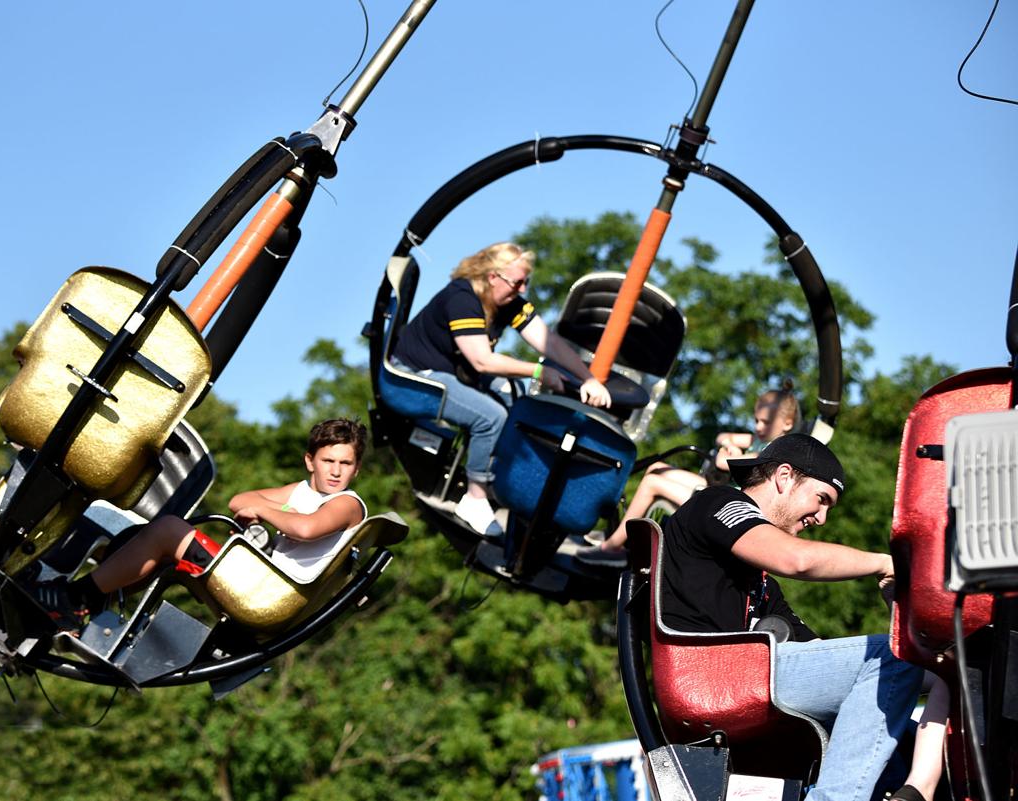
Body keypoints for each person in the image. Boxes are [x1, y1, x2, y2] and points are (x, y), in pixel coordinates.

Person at [654, 433, 925, 801]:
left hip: (738, 674)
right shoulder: (719, 502)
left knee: (901, 729)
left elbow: (819, 653)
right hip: (713, 676)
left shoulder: (759, 583)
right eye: (821, 499)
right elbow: (796, 559)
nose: (822, 518)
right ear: (784, 476)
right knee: (888, 656)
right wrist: (882, 564)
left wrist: (933, 660)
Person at [34, 418, 369, 629]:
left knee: (168, 529)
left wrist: (274, 513)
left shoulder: (347, 504)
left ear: (356, 469)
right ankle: (89, 603)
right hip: (257, 584)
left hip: (271, 594)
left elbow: (306, 529)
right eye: (328, 461)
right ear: (310, 461)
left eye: (345, 463)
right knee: (153, 544)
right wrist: (285, 510)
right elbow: (240, 500)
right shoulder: (300, 491)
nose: (336, 471)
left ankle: (73, 597)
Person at [390, 242, 611, 537]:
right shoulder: (462, 298)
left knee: (518, 395)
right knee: (490, 416)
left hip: (453, 371)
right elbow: (482, 361)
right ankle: (475, 497)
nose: (521, 290)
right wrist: (539, 371)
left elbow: (550, 343)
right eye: (516, 282)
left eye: (525, 283)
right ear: (492, 276)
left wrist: (588, 379)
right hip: (411, 377)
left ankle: (506, 479)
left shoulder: (507, 302)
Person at [577, 383, 799, 562]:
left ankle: (612, 547)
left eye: (765, 422)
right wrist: (731, 444)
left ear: (787, 423)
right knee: (656, 468)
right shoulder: (758, 440)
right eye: (756, 421)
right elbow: (723, 437)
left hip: (723, 506)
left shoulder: (775, 454)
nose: (758, 427)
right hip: (717, 491)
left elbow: (723, 462)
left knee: (653, 483)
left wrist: (729, 452)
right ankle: (621, 533)